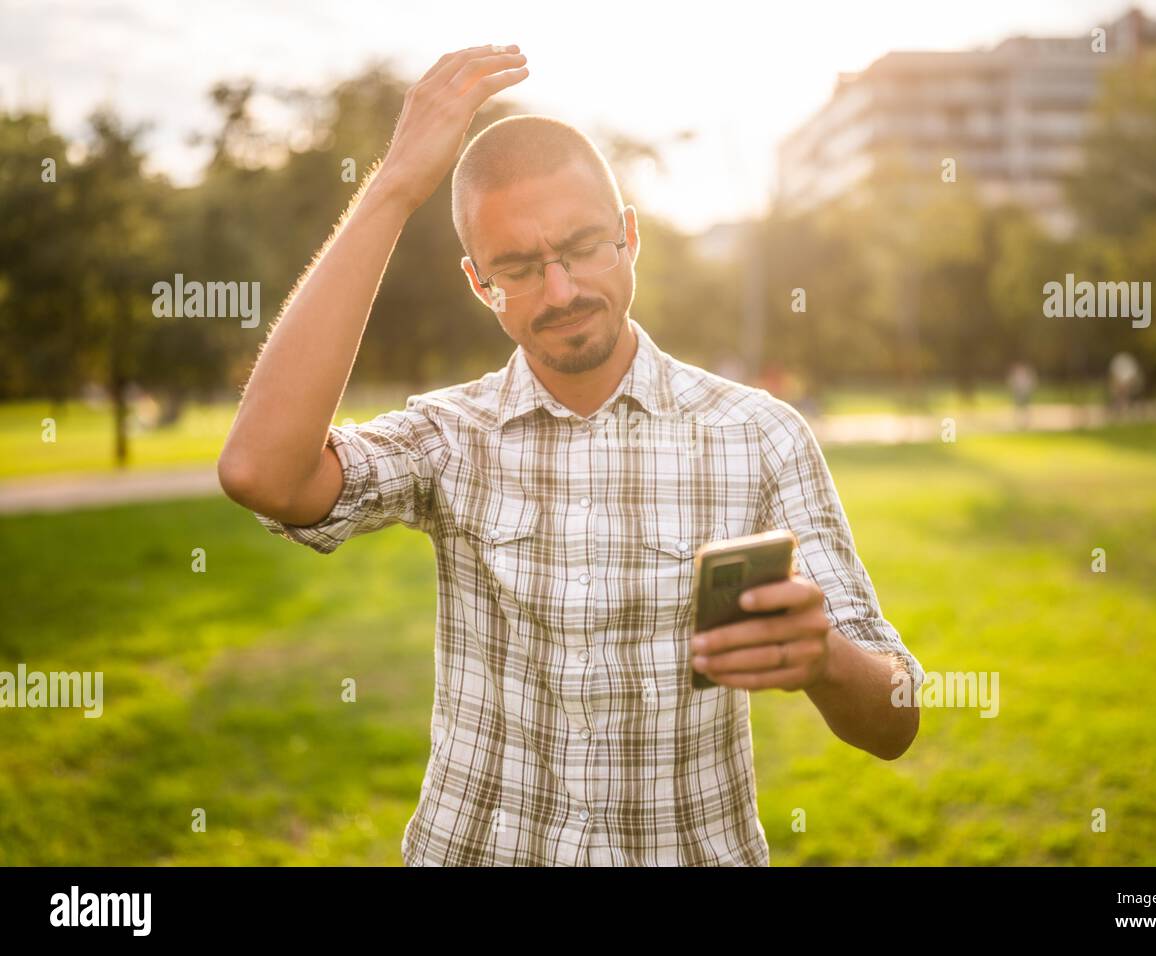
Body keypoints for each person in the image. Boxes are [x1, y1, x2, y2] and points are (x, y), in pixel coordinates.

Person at [217, 44, 923, 867]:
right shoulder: (451, 436)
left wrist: (825, 658)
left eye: (583, 248)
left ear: (628, 238)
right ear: (481, 283)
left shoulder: (758, 433)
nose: (560, 292)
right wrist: (394, 187)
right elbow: (262, 474)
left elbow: (898, 717)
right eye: (518, 267)